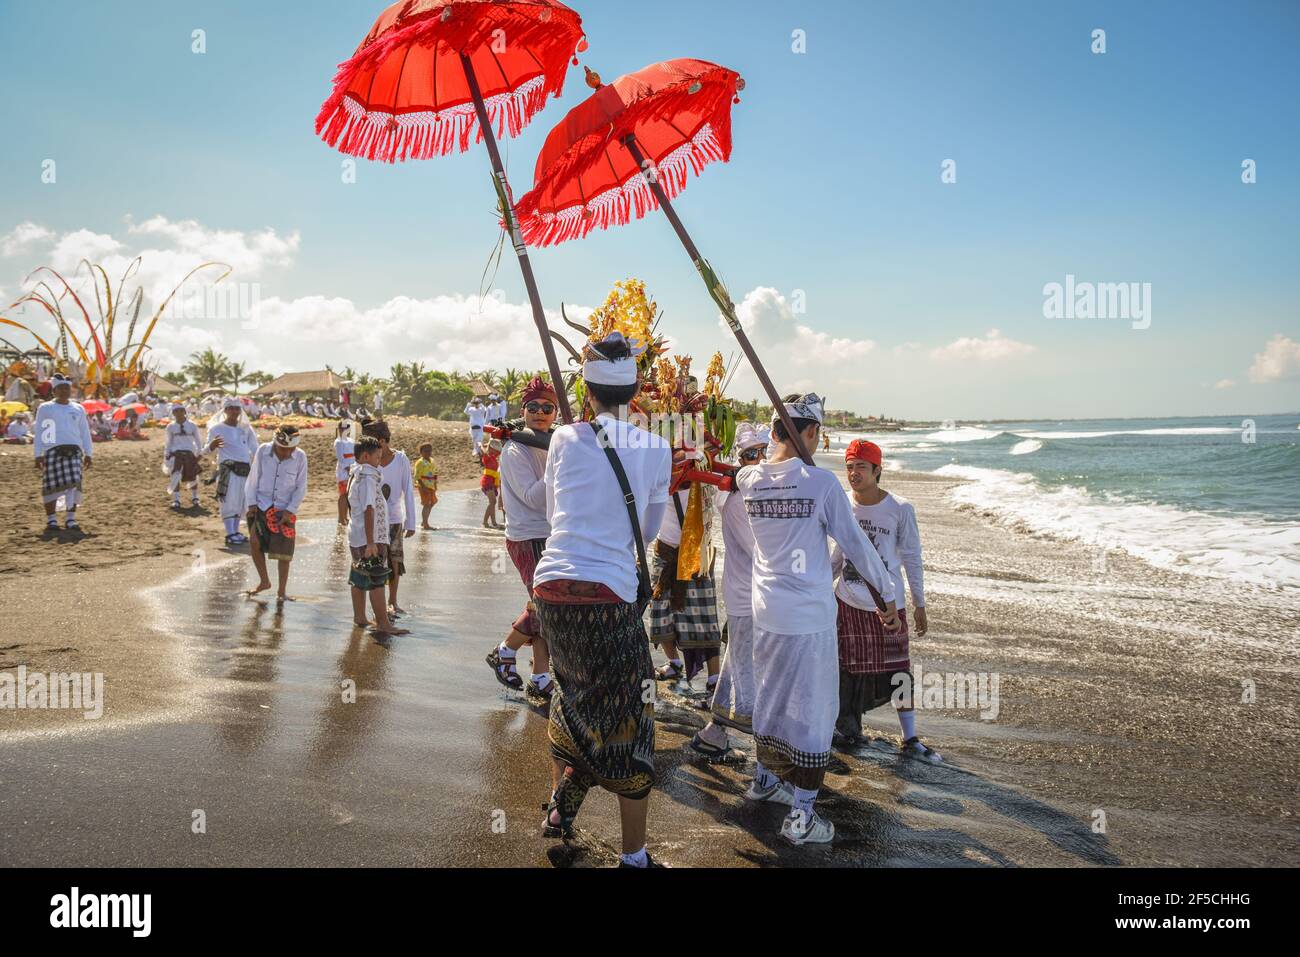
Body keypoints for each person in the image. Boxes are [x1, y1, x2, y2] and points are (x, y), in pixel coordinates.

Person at [531, 332, 672, 868]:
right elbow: (651, 529)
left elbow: (553, 514)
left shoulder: (564, 439)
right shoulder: (656, 448)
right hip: (607, 594)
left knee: (570, 694)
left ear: (586, 390)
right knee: (633, 718)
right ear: (635, 392)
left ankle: (559, 808)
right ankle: (634, 856)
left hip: (552, 587)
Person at [737, 393, 899, 846]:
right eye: (818, 434)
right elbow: (856, 546)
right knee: (813, 710)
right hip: (808, 619)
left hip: (767, 612)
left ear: (772, 432)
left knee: (770, 698)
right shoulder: (822, 484)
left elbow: (747, 471)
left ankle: (766, 779)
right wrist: (887, 594)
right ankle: (801, 816)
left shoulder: (749, 479)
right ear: (810, 433)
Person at [833, 439, 939, 761]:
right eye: (849, 467)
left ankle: (910, 737)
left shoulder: (900, 509)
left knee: (899, 672)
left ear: (877, 470)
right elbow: (837, 556)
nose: (853, 474)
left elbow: (912, 557)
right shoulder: (841, 504)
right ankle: (848, 729)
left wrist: (919, 603)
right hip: (848, 602)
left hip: (888, 607)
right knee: (845, 672)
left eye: (861, 467)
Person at [690, 423, 769, 758]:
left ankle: (715, 733)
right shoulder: (739, 501)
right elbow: (763, 552)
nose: (759, 460)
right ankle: (767, 751)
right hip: (747, 597)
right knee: (754, 669)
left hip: (754, 596)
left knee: (739, 664)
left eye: (765, 452)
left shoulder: (757, 495)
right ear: (741, 460)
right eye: (751, 455)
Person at [485, 375, 557, 705]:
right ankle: (504, 650)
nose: (540, 412)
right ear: (523, 410)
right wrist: (560, 467)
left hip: (551, 533)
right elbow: (532, 496)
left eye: (547, 407)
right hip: (528, 536)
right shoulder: (515, 450)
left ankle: (541, 677)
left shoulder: (551, 443)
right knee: (545, 603)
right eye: (533, 407)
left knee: (545, 605)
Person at [647, 459, 723, 701]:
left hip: (697, 558)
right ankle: (674, 663)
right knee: (661, 616)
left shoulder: (704, 485)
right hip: (666, 554)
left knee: (705, 621)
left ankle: (714, 679)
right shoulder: (660, 483)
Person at [346, 436, 409, 637]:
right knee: (376, 578)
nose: (380, 461)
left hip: (357, 535)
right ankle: (383, 624)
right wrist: (371, 542)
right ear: (366, 456)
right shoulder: (367, 477)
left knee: (358, 576)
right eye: (377, 457)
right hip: (369, 538)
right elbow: (369, 509)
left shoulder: (355, 474)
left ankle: (360, 617)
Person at [244, 425, 308, 599]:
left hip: (285, 510)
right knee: (254, 542)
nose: (286, 453)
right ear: (275, 443)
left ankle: (282, 591)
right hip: (261, 505)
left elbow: (301, 487)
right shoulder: (263, 451)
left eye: (290, 450)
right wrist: (251, 504)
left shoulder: (300, 457)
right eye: (282, 449)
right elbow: (253, 479)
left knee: (284, 553)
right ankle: (264, 581)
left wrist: (290, 510)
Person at [362, 419, 416, 618]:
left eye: (373, 442)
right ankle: (379, 604)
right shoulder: (367, 460)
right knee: (377, 562)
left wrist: (411, 522)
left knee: (395, 561)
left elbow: (408, 490)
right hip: (372, 521)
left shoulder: (401, 459)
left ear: (383, 441)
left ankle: (393, 601)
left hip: (394, 518)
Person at [33, 373, 92, 530]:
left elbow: (85, 432)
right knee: (51, 486)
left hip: (74, 451)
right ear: (54, 390)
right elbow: (41, 431)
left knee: (73, 485)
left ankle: (70, 518)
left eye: (67, 388)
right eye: (61, 388)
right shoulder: (46, 408)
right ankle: (51, 519)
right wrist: (38, 454)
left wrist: (89, 453)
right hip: (53, 450)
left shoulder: (78, 408)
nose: (65, 391)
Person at [204, 397, 259, 545]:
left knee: (241, 501)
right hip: (227, 470)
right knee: (229, 501)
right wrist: (212, 445)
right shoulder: (216, 429)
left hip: (245, 470)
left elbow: (255, 448)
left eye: (237, 408)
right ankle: (230, 533)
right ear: (225, 410)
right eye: (231, 408)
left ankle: (235, 532)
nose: (234, 411)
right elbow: (205, 452)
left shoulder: (246, 428)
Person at [163, 403, 204, 509]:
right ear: (173, 413)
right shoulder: (170, 426)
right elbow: (168, 442)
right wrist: (166, 455)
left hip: (190, 453)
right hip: (176, 454)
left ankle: (195, 497)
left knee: (193, 476)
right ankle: (176, 499)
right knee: (175, 476)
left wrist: (199, 453)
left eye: (181, 410)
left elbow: (198, 441)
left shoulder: (192, 425)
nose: (179, 413)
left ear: (185, 412)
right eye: (176, 411)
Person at [333, 421, 355, 525]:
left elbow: (354, 455)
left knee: (348, 495)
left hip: (352, 468)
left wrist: (353, 467)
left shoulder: (351, 441)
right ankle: (341, 518)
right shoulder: (338, 442)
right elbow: (341, 457)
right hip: (343, 470)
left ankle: (345, 516)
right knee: (343, 495)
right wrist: (347, 467)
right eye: (343, 429)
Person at [479, 437, 503, 529]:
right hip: (487, 481)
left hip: (492, 481)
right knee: (492, 501)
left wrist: (490, 443)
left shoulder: (493, 457)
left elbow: (501, 451)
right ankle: (485, 522)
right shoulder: (487, 457)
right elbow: (483, 450)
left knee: (493, 502)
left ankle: (493, 522)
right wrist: (484, 445)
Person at [414, 442, 438, 529]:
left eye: (429, 451)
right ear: (421, 452)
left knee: (432, 502)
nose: (428, 453)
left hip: (431, 485)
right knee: (426, 504)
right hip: (423, 486)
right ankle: (426, 524)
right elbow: (417, 476)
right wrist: (423, 487)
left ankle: (424, 521)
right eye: (425, 451)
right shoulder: (420, 462)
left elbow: (435, 472)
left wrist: (435, 484)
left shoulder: (432, 461)